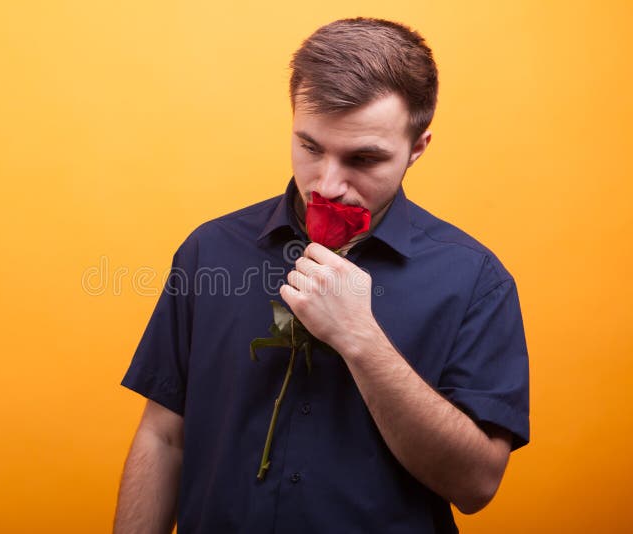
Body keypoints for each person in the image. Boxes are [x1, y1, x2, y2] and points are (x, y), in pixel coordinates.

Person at [114, 17, 529, 534]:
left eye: (364, 158)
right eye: (310, 147)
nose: (327, 186)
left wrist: (362, 340)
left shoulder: (476, 281)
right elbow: (163, 436)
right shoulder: (209, 251)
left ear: (417, 148)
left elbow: (476, 486)